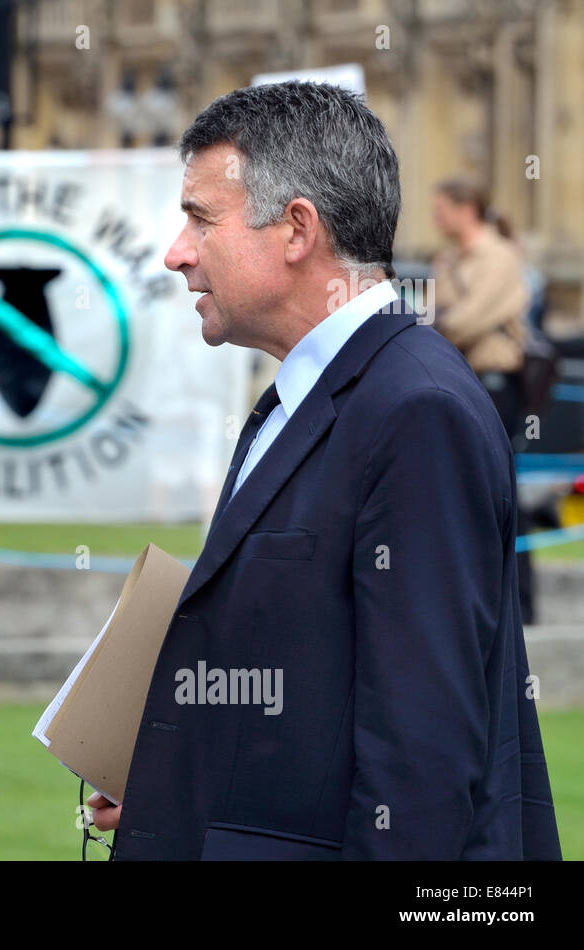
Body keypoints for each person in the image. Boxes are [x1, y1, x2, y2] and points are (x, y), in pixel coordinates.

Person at [87, 82, 560, 860]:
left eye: (201, 219)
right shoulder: (307, 395)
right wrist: (179, 786)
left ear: (297, 229)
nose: (175, 252)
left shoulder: (416, 411)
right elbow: (306, 693)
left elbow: (420, 768)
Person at [432, 176, 537, 621]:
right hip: (461, 381)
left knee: (501, 490)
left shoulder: (497, 257)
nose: (435, 217)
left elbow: (461, 322)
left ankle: (520, 602)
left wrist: (432, 327)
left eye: (441, 208)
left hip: (495, 382)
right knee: (460, 489)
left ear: (465, 208)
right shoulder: (447, 260)